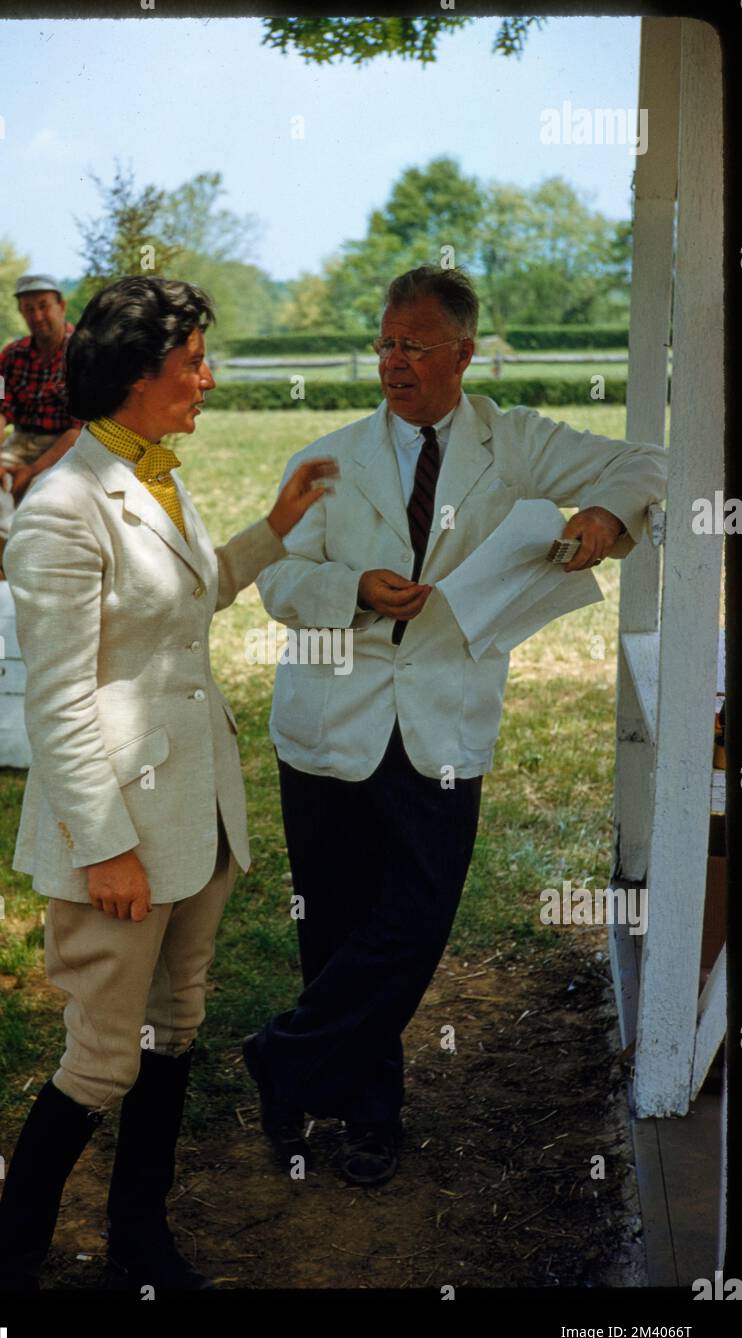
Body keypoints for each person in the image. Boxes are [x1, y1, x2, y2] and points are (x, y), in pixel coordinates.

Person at [243, 265, 668, 1187]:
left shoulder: (512, 444)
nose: (394, 363)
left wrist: (601, 513)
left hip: (441, 724)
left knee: (420, 915)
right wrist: (351, 589)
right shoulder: (325, 457)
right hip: (328, 727)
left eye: (416, 346)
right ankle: (363, 1113)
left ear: (464, 353)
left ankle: (287, 1055)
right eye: (386, 343)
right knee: (339, 925)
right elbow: (276, 581)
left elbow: (650, 461)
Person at [0, 275, 335, 1294]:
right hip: (121, 833)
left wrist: (273, 525)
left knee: (173, 1031)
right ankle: (7, 1271)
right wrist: (103, 845)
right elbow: (58, 703)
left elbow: (188, 595)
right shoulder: (62, 508)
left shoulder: (158, 476)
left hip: (198, 816)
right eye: (193, 364)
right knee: (99, 1062)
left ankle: (140, 1237)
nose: (207, 381)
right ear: (138, 375)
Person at [0, 273, 82, 581]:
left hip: (67, 442)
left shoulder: (83, 353)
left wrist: (32, 470)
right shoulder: (10, 354)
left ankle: (7, 556)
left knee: (42, 485)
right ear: (21, 312)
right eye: (28, 309)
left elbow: (79, 429)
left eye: (44, 306)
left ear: (61, 305)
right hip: (22, 438)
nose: (37, 316)